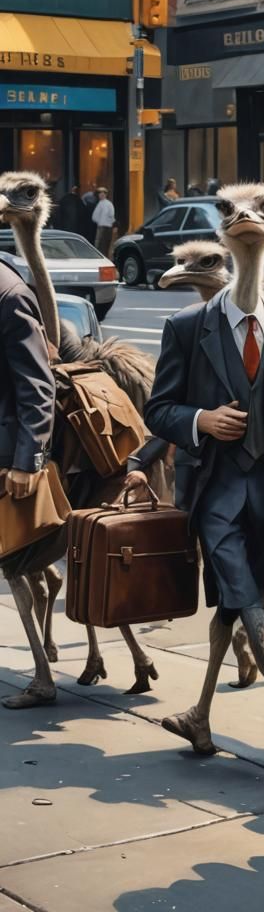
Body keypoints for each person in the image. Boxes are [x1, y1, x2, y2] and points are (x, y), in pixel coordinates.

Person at [144, 185, 264, 791]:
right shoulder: (187, 325)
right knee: (250, 603)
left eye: (263, 208)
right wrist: (200, 420)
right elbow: (159, 408)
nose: (248, 217)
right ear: (221, 227)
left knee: (233, 600)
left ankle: (200, 716)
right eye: (231, 210)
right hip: (216, 491)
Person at [0, 258, 59, 709]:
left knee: (13, 564)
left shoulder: (10, 294)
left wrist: (28, 461)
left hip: (6, 457)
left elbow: (37, 386)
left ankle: (43, 677)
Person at [91, 187, 116, 259]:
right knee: (102, 245)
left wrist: (100, 221)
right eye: (100, 193)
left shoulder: (107, 204)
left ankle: (102, 259)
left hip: (105, 227)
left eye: (103, 193)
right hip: (102, 226)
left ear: (106, 195)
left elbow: (111, 215)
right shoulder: (101, 203)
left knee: (101, 245)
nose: (101, 195)